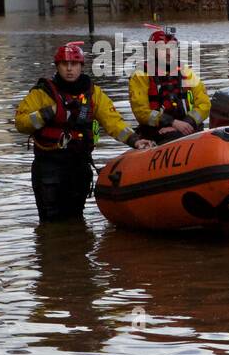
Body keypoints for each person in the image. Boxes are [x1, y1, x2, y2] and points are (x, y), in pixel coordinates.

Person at [15, 41, 153, 222]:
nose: (69, 69)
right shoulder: (42, 93)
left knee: (76, 219)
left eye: (74, 64)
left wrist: (135, 140)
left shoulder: (94, 94)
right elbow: (21, 123)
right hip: (49, 166)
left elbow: (113, 122)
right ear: (58, 66)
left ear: (81, 66)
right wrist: (45, 114)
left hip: (79, 164)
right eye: (65, 64)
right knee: (50, 222)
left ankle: (77, 247)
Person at [129, 25, 210, 142]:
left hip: (188, 128)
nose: (168, 53)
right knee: (174, 137)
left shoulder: (186, 72)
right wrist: (172, 123)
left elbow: (204, 104)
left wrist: (186, 124)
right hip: (156, 133)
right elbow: (141, 112)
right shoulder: (141, 75)